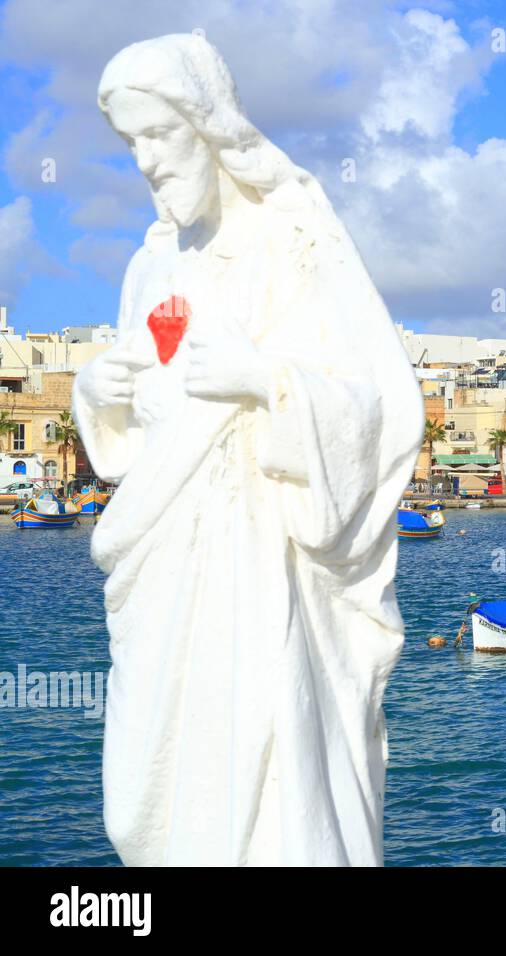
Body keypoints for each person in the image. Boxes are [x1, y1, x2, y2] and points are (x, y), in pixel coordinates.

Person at [74, 34, 423, 865]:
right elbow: (133, 439)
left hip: (264, 564)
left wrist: (266, 381)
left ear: (207, 124)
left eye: (160, 135)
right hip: (161, 563)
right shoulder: (152, 268)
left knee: (265, 783)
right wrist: (99, 395)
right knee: (141, 810)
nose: (147, 163)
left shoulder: (294, 242)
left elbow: (383, 406)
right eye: (131, 146)